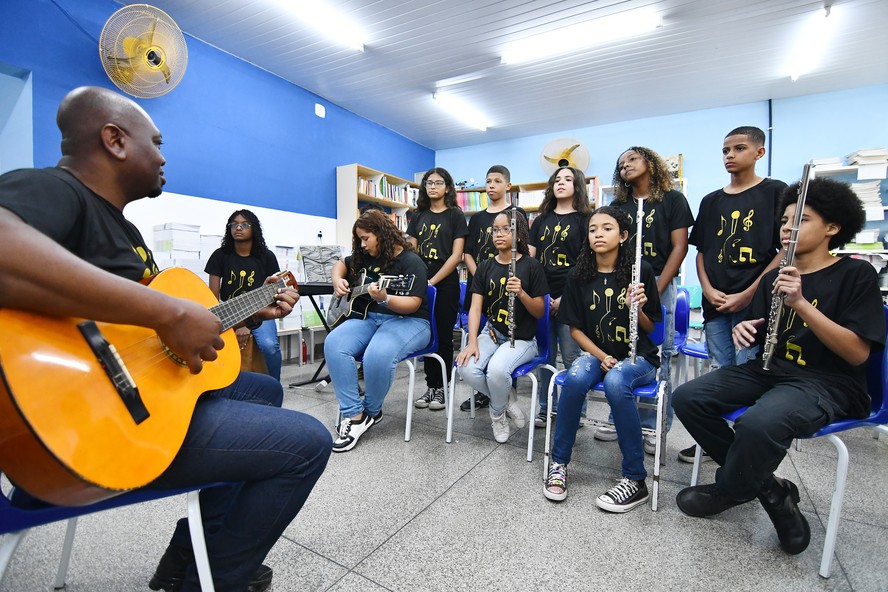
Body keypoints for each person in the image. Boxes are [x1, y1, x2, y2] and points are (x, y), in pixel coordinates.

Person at [0, 86, 332, 592]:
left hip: (138, 390)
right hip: (92, 421)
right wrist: (166, 309)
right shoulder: (57, 190)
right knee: (308, 442)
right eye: (154, 142)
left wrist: (245, 311)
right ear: (114, 140)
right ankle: (214, 579)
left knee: (265, 391)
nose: (162, 156)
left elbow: (150, 332)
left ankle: (189, 551)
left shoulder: (125, 231)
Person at [672, 177, 883, 555]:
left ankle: (733, 489)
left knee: (758, 422)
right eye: (784, 221)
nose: (788, 228)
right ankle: (770, 488)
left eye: (800, 221)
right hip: (771, 371)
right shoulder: (773, 277)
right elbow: (765, 332)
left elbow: (857, 355)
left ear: (833, 229)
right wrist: (747, 333)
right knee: (688, 397)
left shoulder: (856, 274)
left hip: (828, 382)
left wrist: (801, 303)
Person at [543, 207, 662, 513]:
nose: (598, 234)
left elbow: (655, 332)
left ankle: (636, 479)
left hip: (639, 358)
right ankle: (558, 464)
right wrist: (602, 355)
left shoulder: (640, 271)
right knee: (576, 376)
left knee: (616, 380)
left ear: (623, 236)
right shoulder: (578, 275)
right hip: (599, 352)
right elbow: (576, 330)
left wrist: (639, 309)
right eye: (593, 229)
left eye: (606, 228)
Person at [681, 126, 787, 463]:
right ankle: (715, 439)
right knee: (718, 370)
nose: (730, 155)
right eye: (725, 150)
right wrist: (708, 290)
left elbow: (785, 249)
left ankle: (747, 445)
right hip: (716, 303)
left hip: (753, 301)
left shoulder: (775, 192)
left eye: (739, 148)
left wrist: (749, 293)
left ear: (759, 153)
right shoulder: (711, 201)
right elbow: (700, 252)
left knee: (747, 372)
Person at [601, 146, 694, 453]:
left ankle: (655, 426)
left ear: (651, 164)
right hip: (623, 285)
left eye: (632, 159)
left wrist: (654, 287)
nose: (625, 165)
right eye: (621, 163)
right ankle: (621, 419)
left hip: (659, 283)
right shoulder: (619, 205)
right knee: (623, 350)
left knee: (660, 353)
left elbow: (679, 247)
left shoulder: (673, 199)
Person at [325, 208, 430, 452]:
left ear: (381, 234)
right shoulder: (366, 256)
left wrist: (384, 299)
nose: (362, 245)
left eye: (365, 238)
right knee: (334, 343)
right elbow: (340, 264)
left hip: (410, 320)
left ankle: (371, 412)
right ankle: (355, 415)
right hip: (369, 317)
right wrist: (337, 279)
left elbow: (413, 303)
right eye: (359, 239)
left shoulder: (411, 262)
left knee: (377, 354)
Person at [456, 210, 548, 442]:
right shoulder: (486, 266)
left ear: (518, 233)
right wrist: (473, 341)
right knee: (465, 367)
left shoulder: (531, 266)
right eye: (495, 230)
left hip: (523, 339)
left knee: (498, 371)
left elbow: (539, 311)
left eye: (505, 229)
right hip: (493, 334)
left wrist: (522, 293)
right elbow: (475, 308)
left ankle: (497, 413)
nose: (498, 234)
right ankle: (506, 399)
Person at [528, 166, 593, 427]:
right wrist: (540, 296)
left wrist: (566, 298)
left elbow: (587, 263)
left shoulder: (586, 219)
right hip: (542, 297)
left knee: (571, 357)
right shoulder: (541, 219)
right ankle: (545, 408)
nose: (561, 183)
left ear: (577, 185)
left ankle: (574, 411)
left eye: (567, 179)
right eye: (557, 179)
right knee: (545, 355)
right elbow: (531, 260)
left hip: (573, 297)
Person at [461, 164, 527, 410]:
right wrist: (483, 278)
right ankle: (485, 393)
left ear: (507, 186)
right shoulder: (477, 218)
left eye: (497, 181)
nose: (491, 185)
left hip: (508, 285)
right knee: (485, 334)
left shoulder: (516, 213)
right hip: (483, 284)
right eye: (488, 181)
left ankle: (506, 388)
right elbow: (468, 253)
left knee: (507, 333)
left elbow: (525, 248)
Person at [407, 167, 468, 411]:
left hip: (446, 283)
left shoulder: (455, 215)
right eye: (428, 183)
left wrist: (432, 282)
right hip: (421, 281)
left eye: (438, 182)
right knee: (426, 335)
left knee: (443, 336)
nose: (432, 186)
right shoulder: (418, 214)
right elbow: (410, 248)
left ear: (447, 187)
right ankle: (430, 386)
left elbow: (456, 256)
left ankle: (443, 387)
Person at [205, 210, 284, 381]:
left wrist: (248, 323)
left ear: (254, 229)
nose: (238, 228)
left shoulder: (266, 256)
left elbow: (274, 291)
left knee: (270, 346)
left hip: (261, 311)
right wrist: (235, 322)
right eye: (234, 224)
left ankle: (274, 385)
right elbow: (212, 297)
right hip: (229, 311)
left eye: (244, 225)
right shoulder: (220, 255)